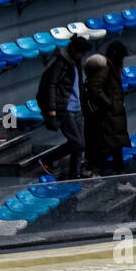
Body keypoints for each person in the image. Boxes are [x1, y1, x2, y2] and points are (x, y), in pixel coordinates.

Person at [37, 35, 91, 179]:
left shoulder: (76, 62)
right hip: (64, 107)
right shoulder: (61, 63)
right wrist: (52, 110)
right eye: (81, 52)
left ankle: (75, 173)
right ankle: (47, 159)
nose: (83, 55)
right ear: (74, 50)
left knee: (81, 144)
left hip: (77, 107)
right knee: (76, 142)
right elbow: (51, 85)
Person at [84, 41, 129, 176]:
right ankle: (91, 170)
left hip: (113, 115)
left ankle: (118, 177)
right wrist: (108, 103)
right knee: (111, 145)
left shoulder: (111, 66)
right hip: (108, 115)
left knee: (115, 145)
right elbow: (94, 88)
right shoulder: (105, 67)